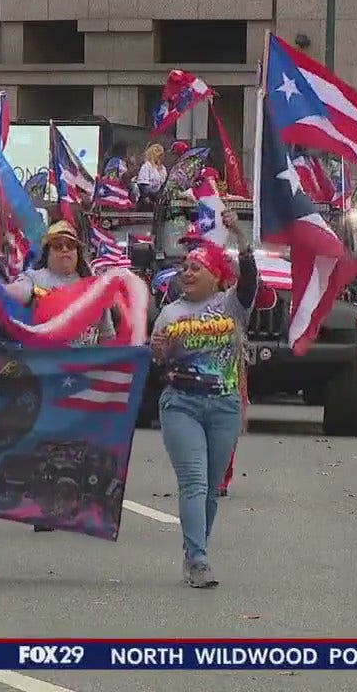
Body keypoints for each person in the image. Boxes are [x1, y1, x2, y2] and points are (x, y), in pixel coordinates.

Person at [150, 208, 256, 588]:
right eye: (186, 269)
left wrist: (240, 236)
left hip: (224, 405)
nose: (188, 274)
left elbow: (250, 281)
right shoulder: (169, 313)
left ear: (217, 275)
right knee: (193, 482)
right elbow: (157, 362)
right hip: (181, 405)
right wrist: (159, 349)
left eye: (197, 268)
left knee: (212, 488)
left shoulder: (231, 305)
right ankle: (198, 560)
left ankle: (195, 549)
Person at [4, 220, 114, 531]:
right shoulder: (35, 279)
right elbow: (17, 294)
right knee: (48, 443)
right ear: (48, 251)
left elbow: (106, 334)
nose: (65, 251)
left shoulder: (94, 286)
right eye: (57, 246)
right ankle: (44, 506)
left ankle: (77, 504)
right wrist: (4, 290)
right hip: (46, 373)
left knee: (80, 444)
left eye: (70, 246)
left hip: (84, 375)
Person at [135, 144, 168, 211]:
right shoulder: (146, 166)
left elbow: (165, 184)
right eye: (160, 155)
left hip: (159, 199)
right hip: (147, 200)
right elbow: (143, 185)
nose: (162, 157)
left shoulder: (163, 168)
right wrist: (147, 197)